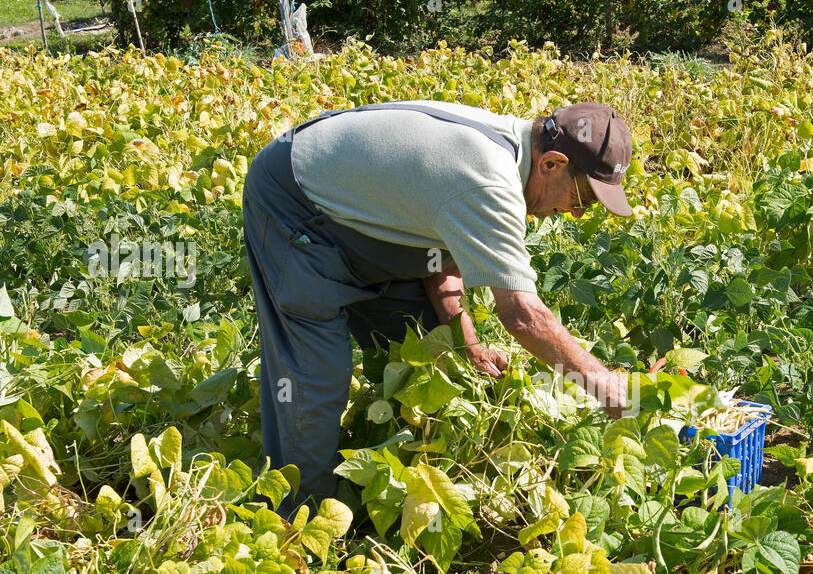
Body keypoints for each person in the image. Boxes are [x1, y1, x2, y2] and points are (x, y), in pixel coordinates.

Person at [242, 100, 636, 515]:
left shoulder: (510, 149)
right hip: (295, 201)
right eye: (583, 198)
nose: (575, 213)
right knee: (315, 375)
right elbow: (523, 315)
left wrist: (468, 344)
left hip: (350, 204)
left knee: (429, 340)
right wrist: (607, 388)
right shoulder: (490, 180)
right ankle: (296, 519)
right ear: (553, 164)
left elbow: (439, 255)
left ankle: (383, 459)